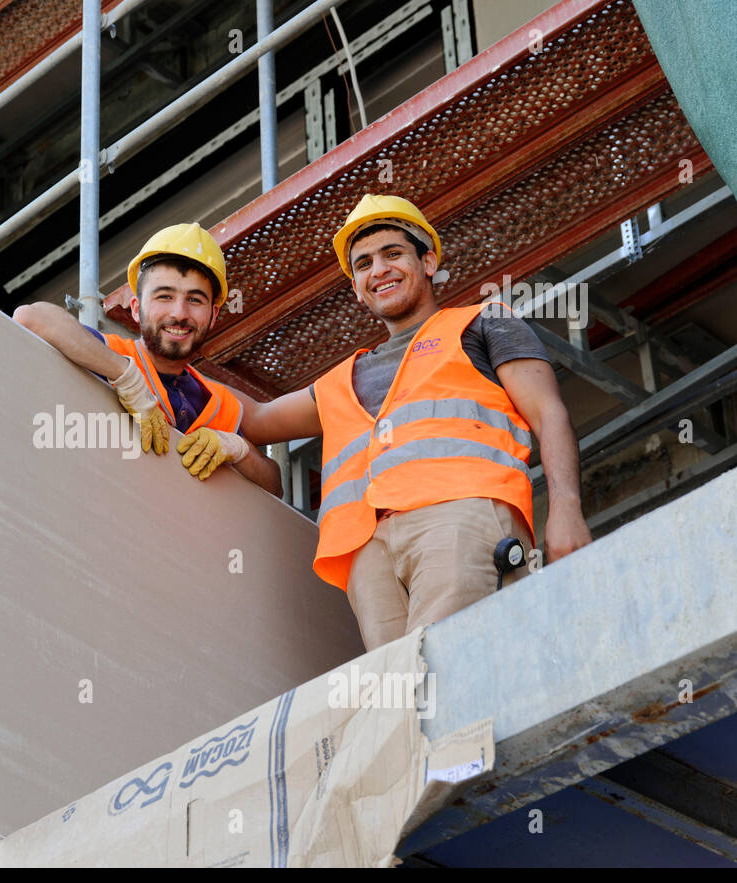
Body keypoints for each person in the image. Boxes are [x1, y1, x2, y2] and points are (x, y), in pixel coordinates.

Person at [236, 194, 592, 649]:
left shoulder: (481, 324)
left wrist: (565, 507)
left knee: (451, 663)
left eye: (392, 254)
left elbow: (549, 414)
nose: (378, 270)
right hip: (369, 549)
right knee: (401, 693)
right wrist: (153, 367)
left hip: (460, 514)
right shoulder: (343, 379)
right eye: (363, 264)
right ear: (357, 288)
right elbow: (258, 419)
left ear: (427, 262)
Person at [12, 223, 283, 495]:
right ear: (136, 308)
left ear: (213, 316)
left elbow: (275, 486)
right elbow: (31, 317)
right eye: (164, 296)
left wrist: (239, 449)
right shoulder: (110, 353)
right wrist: (125, 375)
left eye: (195, 300)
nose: (179, 313)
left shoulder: (215, 402)